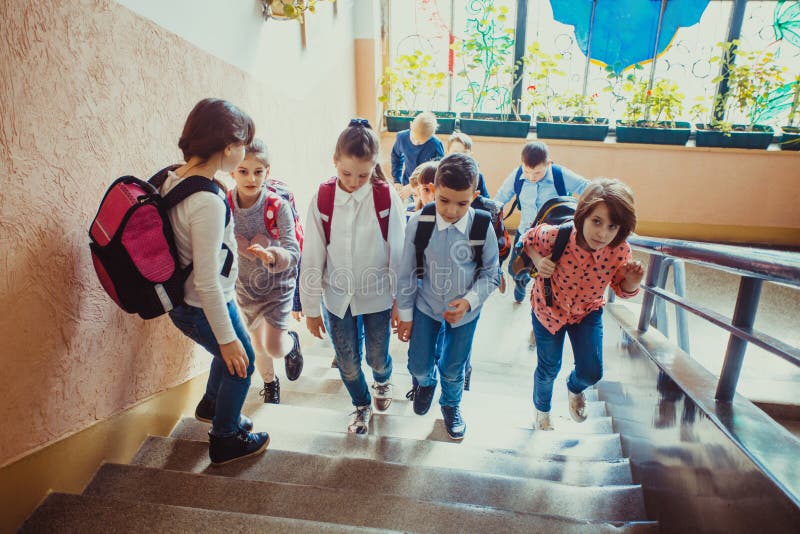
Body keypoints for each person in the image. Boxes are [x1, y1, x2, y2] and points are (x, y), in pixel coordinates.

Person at [160, 98, 269, 465]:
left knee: (232, 357)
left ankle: (212, 406)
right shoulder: (207, 202)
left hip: (200, 301)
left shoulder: (176, 175)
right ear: (227, 148)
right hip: (203, 304)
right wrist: (225, 339)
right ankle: (225, 439)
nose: (245, 151)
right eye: (243, 144)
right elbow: (206, 279)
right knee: (242, 361)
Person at [300, 118, 406, 435]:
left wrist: (402, 302)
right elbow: (313, 255)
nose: (354, 181)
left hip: (377, 297)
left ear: (375, 166)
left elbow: (399, 255)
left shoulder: (387, 199)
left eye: (364, 174)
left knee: (376, 355)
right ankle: (361, 405)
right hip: (336, 298)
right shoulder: (322, 198)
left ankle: (383, 378)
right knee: (347, 361)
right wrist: (310, 309)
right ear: (335, 161)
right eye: (346, 173)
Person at [522, 178, 644, 431]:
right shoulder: (557, 235)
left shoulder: (619, 250)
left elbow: (622, 289)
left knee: (592, 371)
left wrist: (631, 282)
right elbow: (528, 239)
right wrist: (537, 261)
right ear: (583, 215)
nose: (602, 233)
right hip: (548, 309)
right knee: (548, 367)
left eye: (612, 226)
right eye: (596, 221)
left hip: (587, 312)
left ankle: (574, 388)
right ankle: (542, 411)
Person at [396, 153, 500, 440]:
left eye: (462, 203)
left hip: (465, 312)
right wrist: (404, 314)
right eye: (444, 200)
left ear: (475, 195)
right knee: (417, 362)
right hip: (426, 305)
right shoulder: (420, 222)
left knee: (453, 367)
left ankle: (451, 405)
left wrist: (470, 301)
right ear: (433, 189)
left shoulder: (481, 226)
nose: (452, 210)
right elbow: (406, 272)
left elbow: (492, 273)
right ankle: (425, 382)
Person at [228, 138, 304, 405]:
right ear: (232, 172)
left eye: (258, 172)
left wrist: (271, 255)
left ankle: (291, 343)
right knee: (257, 345)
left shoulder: (276, 206)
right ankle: (270, 384)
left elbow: (293, 252)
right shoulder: (225, 204)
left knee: (272, 345)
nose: (251, 178)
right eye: (243, 171)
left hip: (277, 284)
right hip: (246, 286)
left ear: (267, 172)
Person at [494, 141, 589, 303]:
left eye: (537, 173)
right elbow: (500, 198)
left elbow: (586, 187)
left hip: (555, 236)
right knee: (515, 270)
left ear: (548, 163)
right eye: (527, 171)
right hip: (526, 233)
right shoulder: (517, 176)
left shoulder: (559, 175)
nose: (531, 177)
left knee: (551, 273)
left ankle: (544, 300)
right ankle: (522, 282)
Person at [390, 111, 444, 200]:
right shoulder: (401, 137)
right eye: (413, 138)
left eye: (420, 142)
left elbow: (438, 171)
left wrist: (413, 186)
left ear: (430, 136)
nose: (416, 143)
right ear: (410, 125)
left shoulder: (435, 144)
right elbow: (396, 156)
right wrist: (397, 180)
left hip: (427, 190)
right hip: (407, 185)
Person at [445, 132, 489, 198]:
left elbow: (485, 202)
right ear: (447, 154)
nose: (460, 157)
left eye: (464, 153)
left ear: (471, 155)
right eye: (455, 152)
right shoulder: (442, 175)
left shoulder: (478, 176)